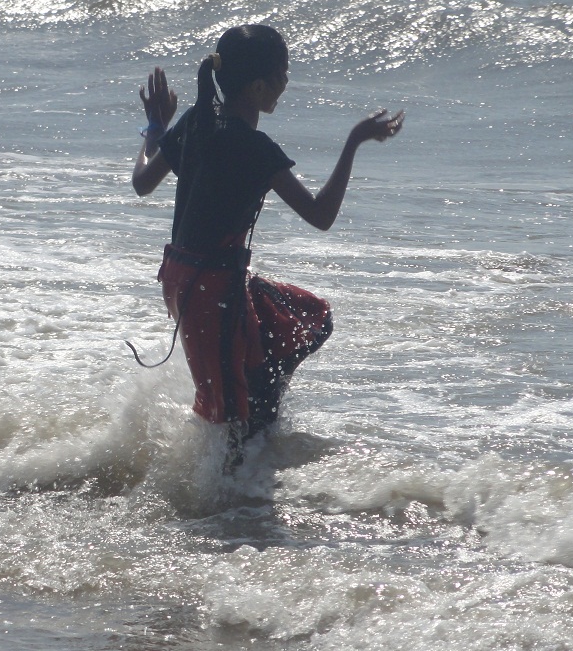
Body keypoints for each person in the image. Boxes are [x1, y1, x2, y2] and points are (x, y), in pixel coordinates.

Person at [130, 24, 403, 464]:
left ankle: (258, 433)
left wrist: (155, 127)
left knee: (305, 318)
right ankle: (223, 506)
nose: (287, 82)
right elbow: (321, 215)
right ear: (258, 87)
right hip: (211, 288)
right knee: (228, 419)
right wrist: (354, 142)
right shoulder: (256, 149)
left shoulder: (195, 124)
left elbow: (142, 182)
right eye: (284, 74)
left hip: (183, 278)